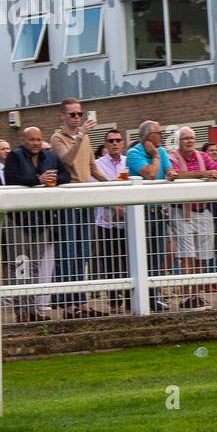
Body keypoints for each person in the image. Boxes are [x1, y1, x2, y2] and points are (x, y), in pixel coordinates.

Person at [4, 127, 68, 322]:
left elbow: (67, 176)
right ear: (24, 139)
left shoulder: (50, 156)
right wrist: (36, 180)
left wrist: (56, 180)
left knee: (35, 266)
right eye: (32, 139)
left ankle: (32, 309)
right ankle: (21, 309)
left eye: (39, 139)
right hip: (19, 218)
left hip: (42, 218)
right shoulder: (15, 156)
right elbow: (11, 179)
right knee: (21, 264)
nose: (35, 143)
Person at [51, 98, 105, 319]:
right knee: (69, 252)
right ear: (62, 116)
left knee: (83, 252)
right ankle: (68, 305)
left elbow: (91, 167)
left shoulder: (85, 137)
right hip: (68, 200)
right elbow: (67, 160)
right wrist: (80, 134)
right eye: (72, 114)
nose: (76, 118)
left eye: (79, 114)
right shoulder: (57, 138)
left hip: (85, 199)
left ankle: (81, 303)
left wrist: (110, 183)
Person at [168, 127, 217, 309]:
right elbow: (177, 176)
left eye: (192, 138)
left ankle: (197, 295)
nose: (190, 141)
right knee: (187, 255)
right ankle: (186, 296)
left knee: (201, 255)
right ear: (179, 141)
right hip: (182, 211)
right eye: (185, 139)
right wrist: (204, 174)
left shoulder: (202, 156)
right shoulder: (173, 156)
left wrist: (215, 174)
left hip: (203, 210)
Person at [126, 121, 174, 312]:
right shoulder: (134, 153)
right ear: (148, 136)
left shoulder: (161, 151)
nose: (161, 135)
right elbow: (151, 175)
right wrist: (154, 156)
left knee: (156, 256)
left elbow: (168, 171)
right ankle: (138, 298)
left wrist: (170, 173)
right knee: (141, 257)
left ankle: (154, 297)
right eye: (158, 132)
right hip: (141, 212)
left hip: (160, 211)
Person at [93, 131, 130, 312]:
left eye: (117, 140)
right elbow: (97, 193)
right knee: (110, 262)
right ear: (105, 145)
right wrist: (116, 208)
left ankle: (132, 299)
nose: (114, 143)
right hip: (106, 222)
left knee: (129, 260)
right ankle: (114, 301)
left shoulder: (127, 162)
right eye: (111, 141)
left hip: (128, 222)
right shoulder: (98, 165)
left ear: (122, 143)